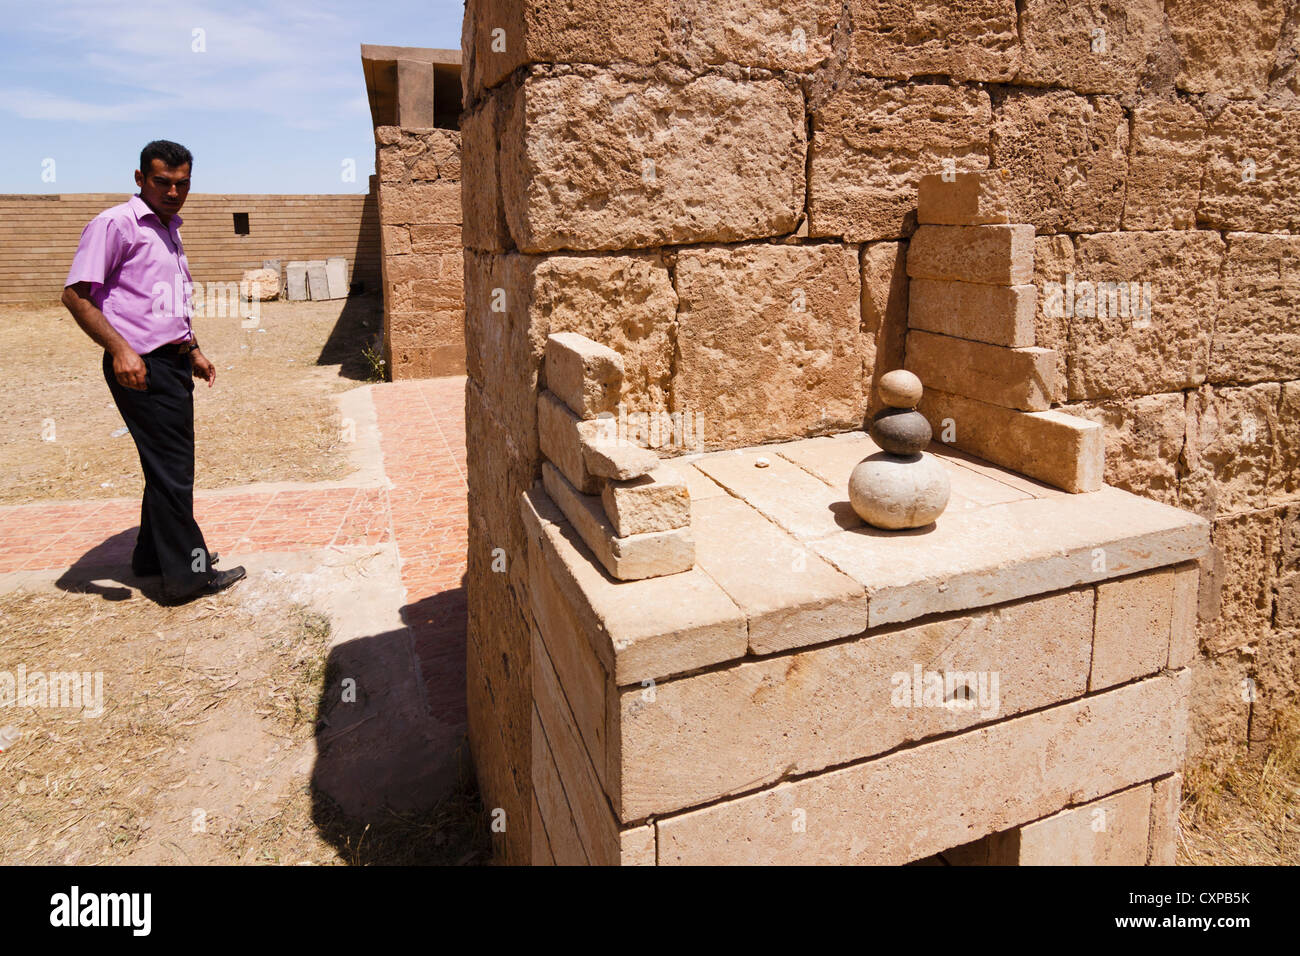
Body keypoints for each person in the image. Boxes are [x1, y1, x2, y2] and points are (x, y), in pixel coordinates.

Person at [60, 140, 245, 603]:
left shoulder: (167, 228)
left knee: (163, 467)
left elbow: (163, 303)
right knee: (175, 472)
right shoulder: (115, 224)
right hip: (140, 367)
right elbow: (76, 294)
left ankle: (150, 559)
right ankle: (188, 576)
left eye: (182, 183)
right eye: (162, 181)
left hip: (171, 360)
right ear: (140, 178)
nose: (172, 191)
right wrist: (121, 350)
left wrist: (194, 348)